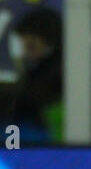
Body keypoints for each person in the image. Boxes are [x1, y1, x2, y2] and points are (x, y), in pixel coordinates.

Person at [8, 7, 63, 143]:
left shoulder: (52, 82)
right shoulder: (31, 72)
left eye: (31, 46)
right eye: (22, 44)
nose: (25, 52)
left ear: (52, 45)